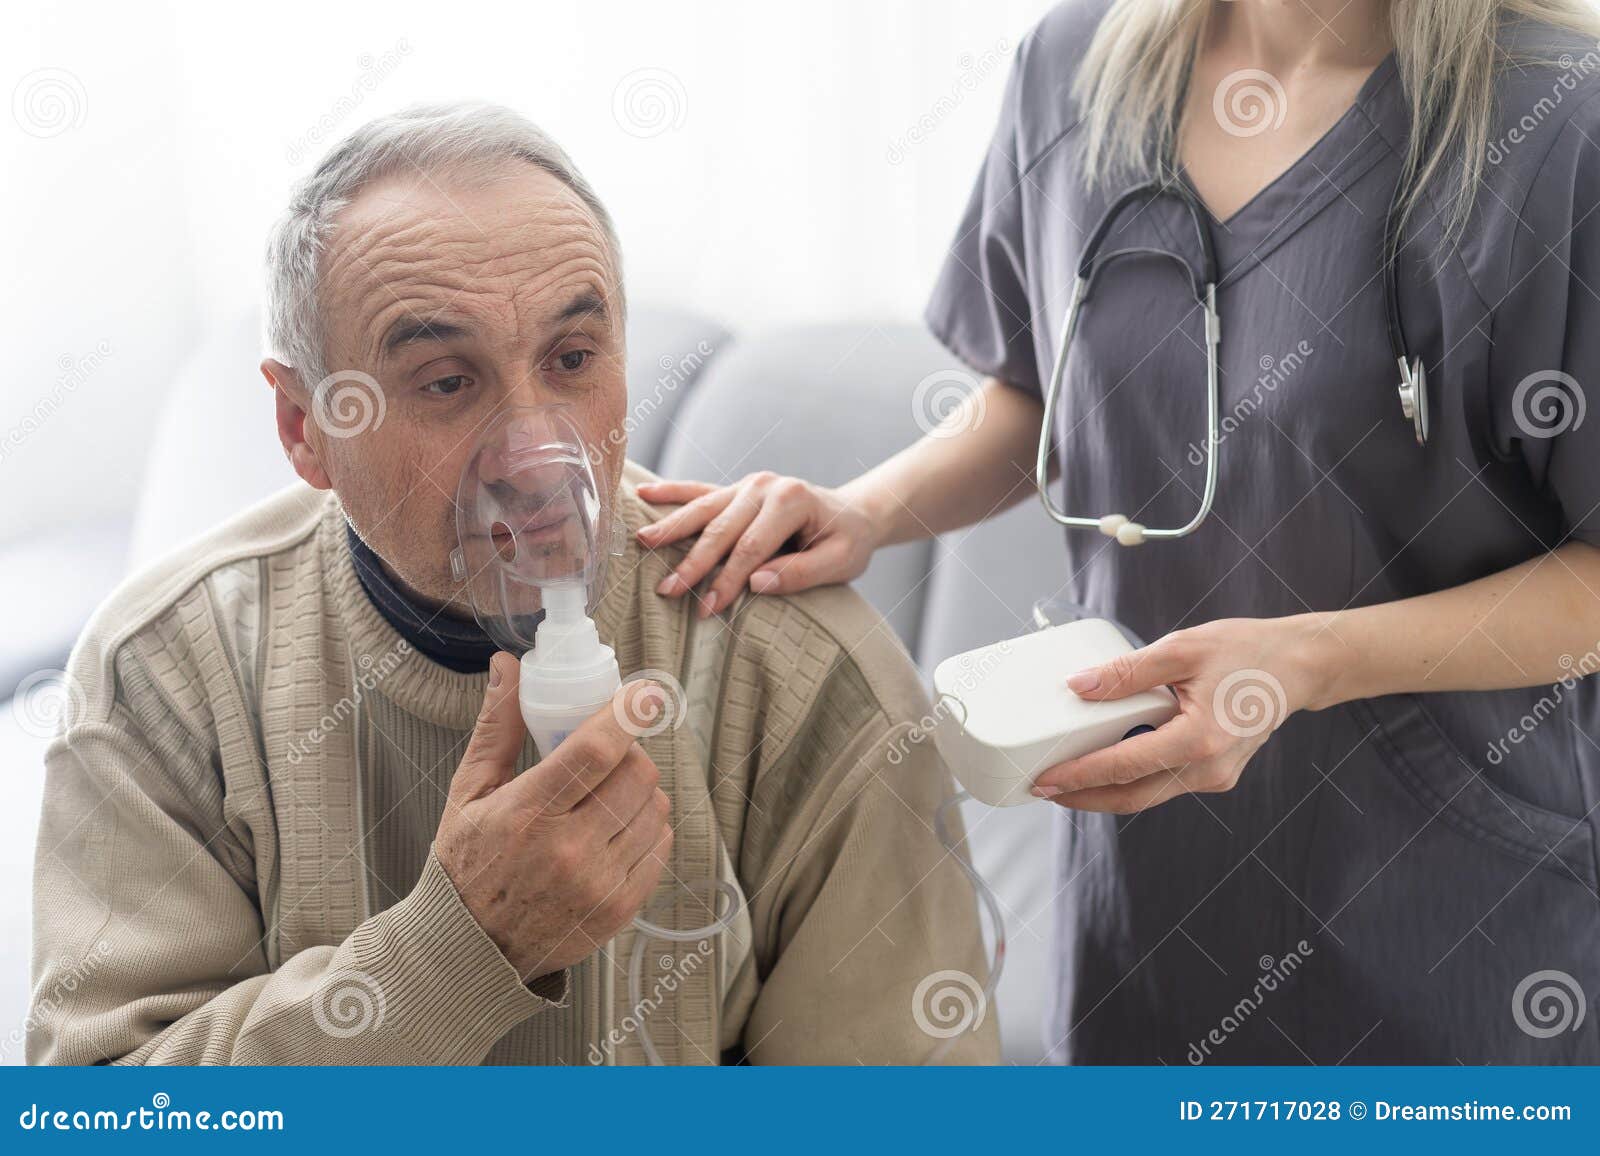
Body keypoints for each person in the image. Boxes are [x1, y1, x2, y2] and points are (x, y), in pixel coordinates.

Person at [637, 0, 1600, 1063]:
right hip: (1148, 895)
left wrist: (1303, 662)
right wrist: (867, 510)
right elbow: (1038, 393)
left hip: (1455, 917)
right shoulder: (1072, 66)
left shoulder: (1557, 124)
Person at [27, 102, 997, 1066]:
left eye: (573, 359)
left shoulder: (798, 667)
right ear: (302, 426)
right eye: (447, 381)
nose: (536, 454)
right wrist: (450, 954)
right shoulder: (164, 676)